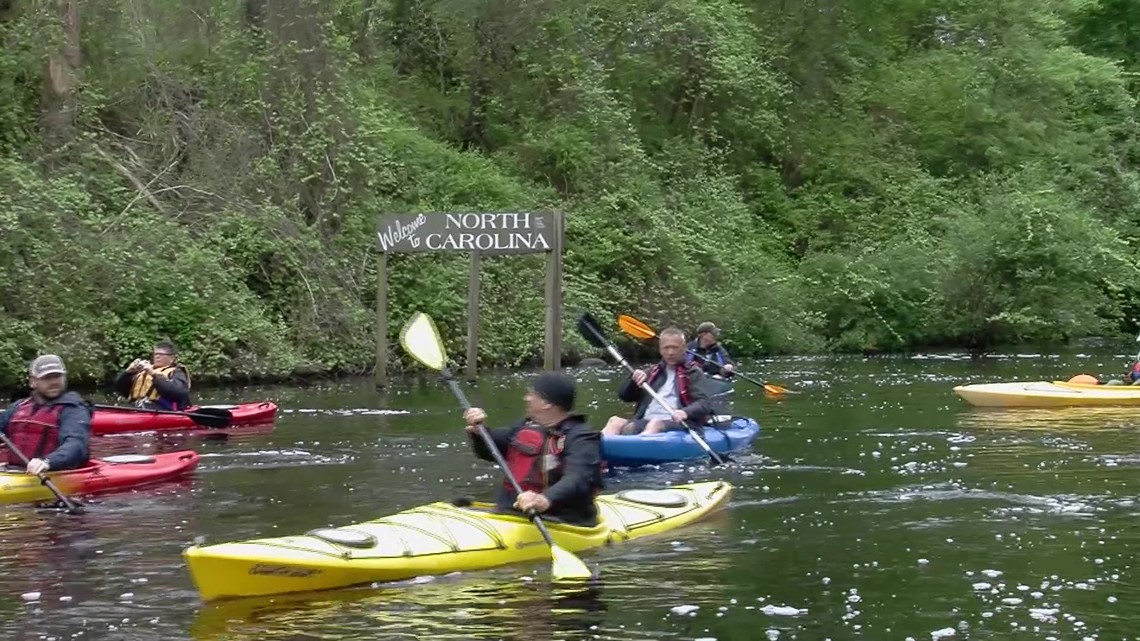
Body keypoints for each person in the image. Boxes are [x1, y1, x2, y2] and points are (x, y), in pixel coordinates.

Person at [462, 371, 604, 527]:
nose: (526, 398)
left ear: (546, 403)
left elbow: (578, 477)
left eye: (531, 394)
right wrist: (480, 432)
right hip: (511, 513)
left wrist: (545, 499)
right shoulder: (527, 426)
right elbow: (489, 452)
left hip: (561, 520)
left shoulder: (581, 437)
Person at [602, 327, 713, 436]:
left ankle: (641, 443)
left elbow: (704, 403)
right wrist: (633, 380)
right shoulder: (651, 372)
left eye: (675, 348)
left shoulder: (693, 373)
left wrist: (685, 412)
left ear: (684, 348)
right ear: (660, 350)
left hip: (679, 422)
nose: (670, 352)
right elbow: (624, 397)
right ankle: (600, 444)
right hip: (645, 421)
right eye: (666, 348)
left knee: (654, 424)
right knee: (615, 421)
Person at [0, 355, 92, 474]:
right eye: (47, 378)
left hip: (51, 471)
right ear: (33, 382)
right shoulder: (18, 406)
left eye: (57, 376)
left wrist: (47, 462)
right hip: (14, 472)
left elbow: (76, 444)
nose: (54, 382)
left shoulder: (74, 409)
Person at [113, 339, 192, 410]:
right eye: (156, 354)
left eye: (161, 354)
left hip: (160, 409)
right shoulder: (143, 372)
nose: (157, 357)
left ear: (172, 358)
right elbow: (119, 389)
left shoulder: (177, 372)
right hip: (136, 407)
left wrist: (153, 374)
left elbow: (178, 393)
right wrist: (128, 372)